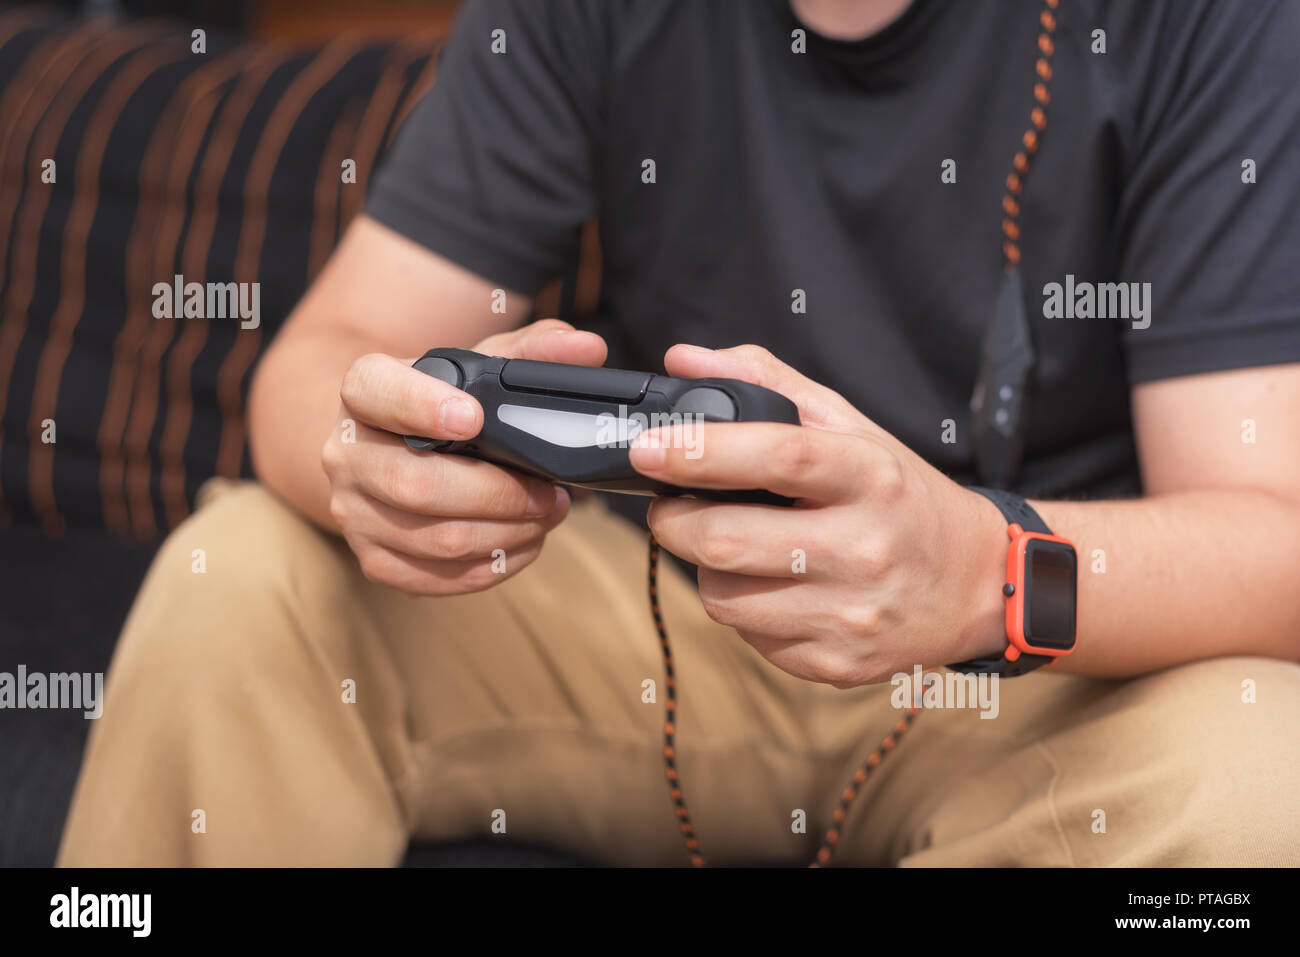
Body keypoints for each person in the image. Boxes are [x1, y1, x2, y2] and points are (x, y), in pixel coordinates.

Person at [60, 0, 1300, 866]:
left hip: (1026, 670)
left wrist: (976, 571)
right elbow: (314, 377)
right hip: (670, 619)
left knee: (1262, 775)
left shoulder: (1210, 19)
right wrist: (393, 467)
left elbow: (1274, 547)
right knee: (243, 581)